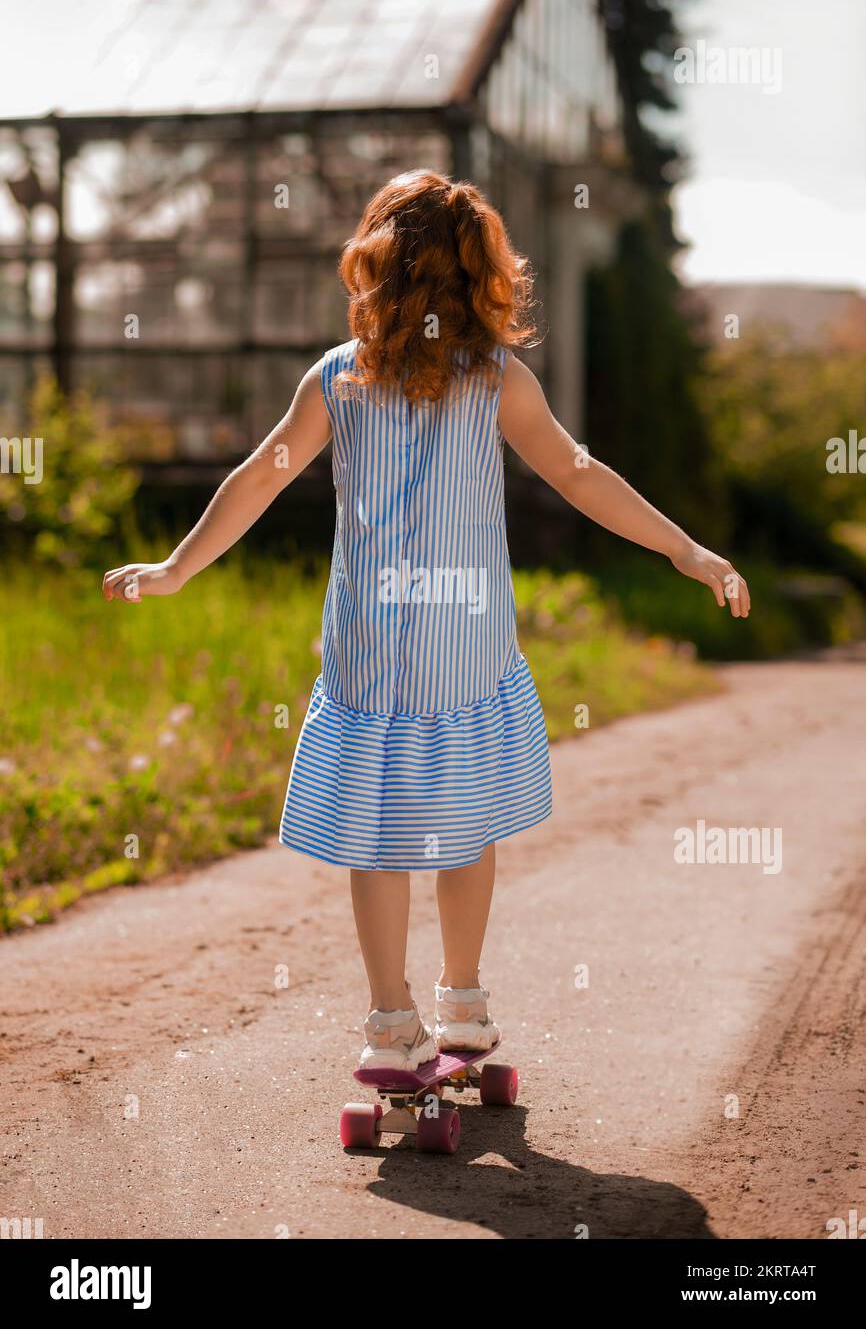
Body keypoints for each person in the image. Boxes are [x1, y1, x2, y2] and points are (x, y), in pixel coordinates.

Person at [103, 169, 749, 1073]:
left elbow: (260, 475)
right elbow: (579, 474)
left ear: (374, 267)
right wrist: (687, 550)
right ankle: (463, 1004)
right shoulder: (492, 379)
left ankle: (390, 1023)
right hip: (463, 659)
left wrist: (177, 569)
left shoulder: (338, 380)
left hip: (370, 658)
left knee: (376, 837)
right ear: (479, 275)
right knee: (465, 825)